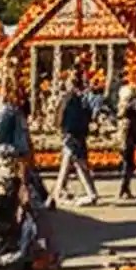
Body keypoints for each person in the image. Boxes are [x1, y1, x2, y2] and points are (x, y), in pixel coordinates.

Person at [52, 74, 99, 207]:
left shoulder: (70, 99)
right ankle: (59, 191)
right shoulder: (80, 99)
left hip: (72, 135)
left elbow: (61, 116)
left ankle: (88, 193)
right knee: (74, 163)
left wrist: (62, 129)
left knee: (78, 164)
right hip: (77, 135)